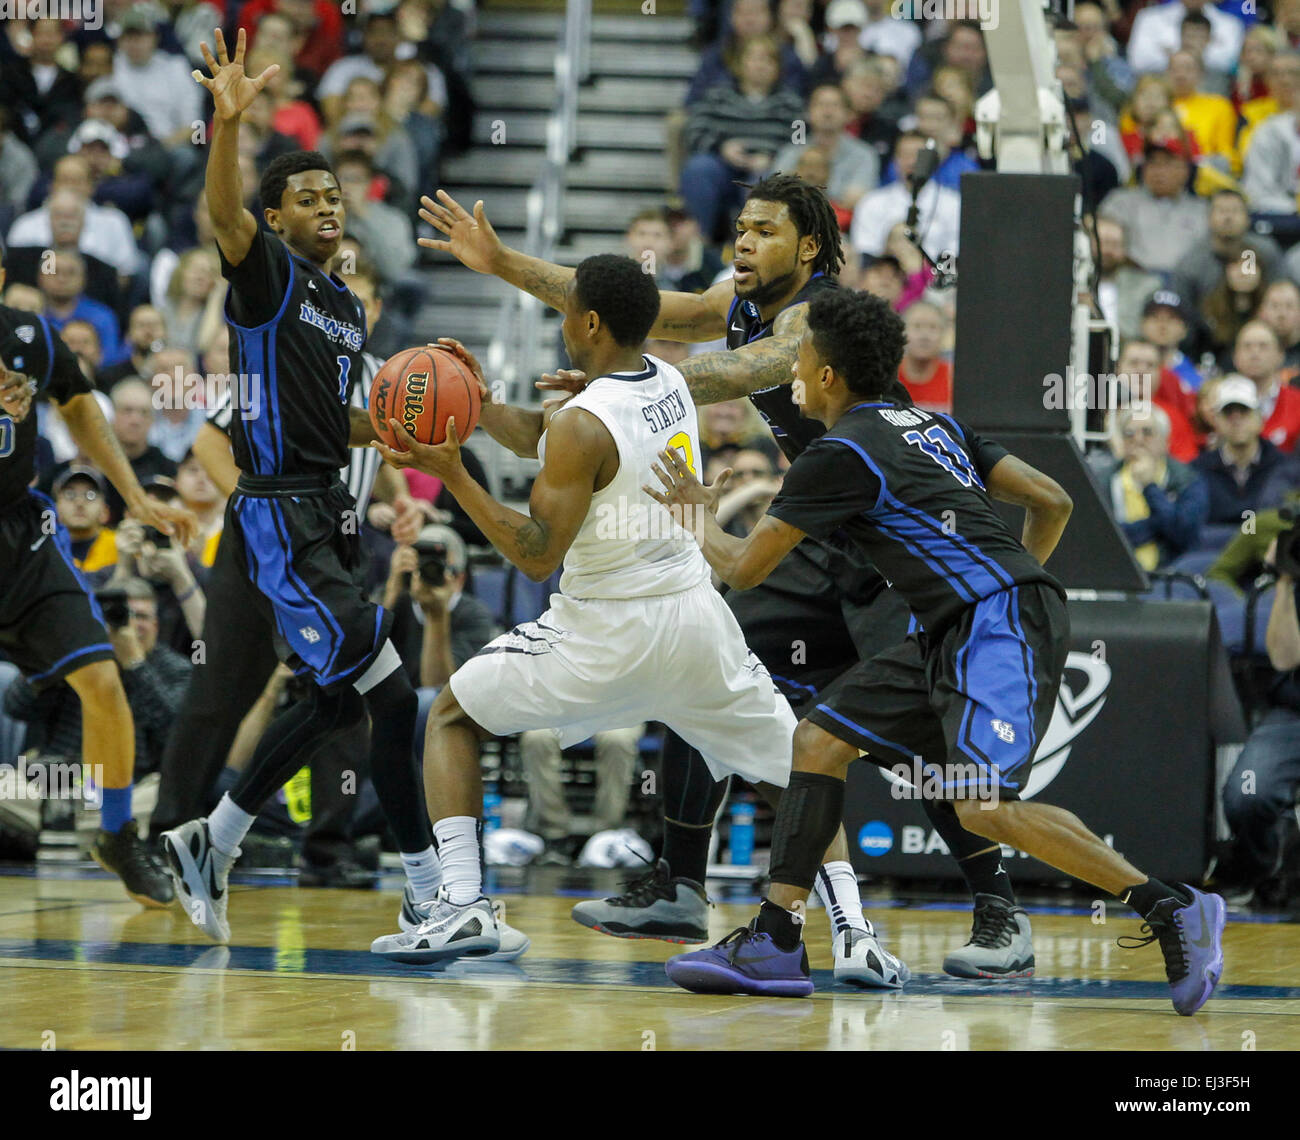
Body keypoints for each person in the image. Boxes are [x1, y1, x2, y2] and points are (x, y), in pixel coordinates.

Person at [420, 177, 1038, 980]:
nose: (743, 242)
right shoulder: (737, 298)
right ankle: (681, 882)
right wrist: (503, 263)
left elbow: (737, 372)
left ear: (809, 246)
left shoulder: (814, 315)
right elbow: (641, 307)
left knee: (921, 739)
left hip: (895, 555)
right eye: (739, 228)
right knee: (700, 646)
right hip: (818, 539)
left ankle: (999, 908)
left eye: (765, 231)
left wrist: (620, 386)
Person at [653, 288, 1227, 1015]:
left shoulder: (837, 452)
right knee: (820, 739)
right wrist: (1009, 574)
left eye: (798, 357)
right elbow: (1053, 499)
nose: (790, 371)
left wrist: (695, 517)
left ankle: (1171, 907)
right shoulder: (933, 424)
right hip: (959, 625)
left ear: (827, 376)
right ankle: (775, 938)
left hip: (997, 623)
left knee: (982, 805)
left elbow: (741, 570)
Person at [369, 256, 908, 983]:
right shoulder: (670, 380)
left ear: (588, 322)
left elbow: (534, 555)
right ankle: (855, 934)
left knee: (452, 717)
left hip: (606, 634)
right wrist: (482, 403)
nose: (562, 326)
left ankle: (464, 902)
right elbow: (546, 437)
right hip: (696, 621)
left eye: (567, 314)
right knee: (795, 772)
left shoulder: (585, 421)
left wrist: (457, 474)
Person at [159, 29, 454, 948]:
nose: (326, 207)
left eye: (334, 195)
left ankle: (216, 838)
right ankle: (428, 897)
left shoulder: (346, 307)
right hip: (280, 513)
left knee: (334, 700)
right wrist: (229, 125)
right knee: (393, 696)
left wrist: (425, 418)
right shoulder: (269, 278)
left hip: (329, 516)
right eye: (306, 199)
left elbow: (347, 421)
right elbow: (224, 220)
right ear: (277, 219)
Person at [0, 239, 196, 906]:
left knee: (104, 680)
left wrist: (133, 493)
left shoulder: (27, 336)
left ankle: (117, 834)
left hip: (21, 542)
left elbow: (79, 400)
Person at [1095, 405, 1208, 568]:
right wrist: (1159, 527)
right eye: (1129, 434)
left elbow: (1183, 535)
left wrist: (1150, 487)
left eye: (1147, 432)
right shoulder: (1104, 480)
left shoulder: (1188, 480)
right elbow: (1100, 537)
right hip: (1115, 573)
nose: (1138, 440)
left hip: (1172, 578)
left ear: (1166, 441)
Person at [1192, 376, 1300, 525]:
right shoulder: (1197, 470)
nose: (1236, 420)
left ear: (1261, 419)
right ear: (1216, 421)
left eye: (1244, 411)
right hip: (1215, 545)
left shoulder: (1285, 468)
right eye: (1228, 412)